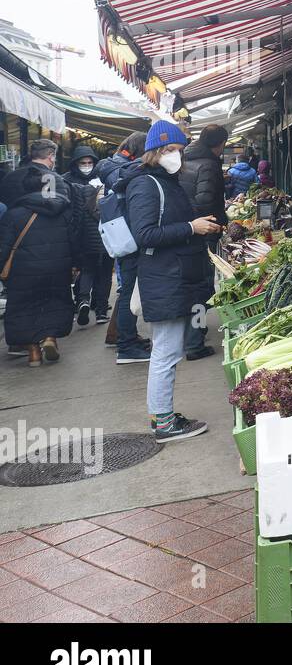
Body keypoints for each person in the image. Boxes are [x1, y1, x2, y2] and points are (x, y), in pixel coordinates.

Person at [120, 121, 217, 442]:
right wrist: (192, 227)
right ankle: (163, 422)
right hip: (164, 276)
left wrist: (198, 226)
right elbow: (144, 234)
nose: (175, 155)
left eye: (178, 149)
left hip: (175, 275)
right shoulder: (145, 184)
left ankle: (162, 414)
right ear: (153, 153)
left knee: (169, 352)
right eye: (168, 150)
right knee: (166, 352)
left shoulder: (167, 181)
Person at [0, 165, 81, 367]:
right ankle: (50, 338)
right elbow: (75, 240)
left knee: (24, 308)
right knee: (55, 303)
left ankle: (33, 353)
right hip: (58, 267)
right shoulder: (62, 210)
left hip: (23, 270)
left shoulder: (14, 214)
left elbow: (4, 245)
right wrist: (77, 264)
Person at [98, 131, 151, 363]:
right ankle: (126, 346)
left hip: (122, 236)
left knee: (128, 289)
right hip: (129, 238)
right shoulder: (126, 171)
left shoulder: (114, 168)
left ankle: (127, 338)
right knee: (128, 290)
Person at [178, 125, 228, 361]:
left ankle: (193, 334)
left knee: (194, 286)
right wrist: (211, 223)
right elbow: (205, 199)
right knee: (202, 289)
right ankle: (195, 342)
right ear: (219, 144)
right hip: (203, 231)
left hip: (188, 231)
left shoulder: (185, 158)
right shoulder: (208, 164)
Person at [63, 145, 114, 327]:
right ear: (76, 163)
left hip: (84, 238)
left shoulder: (67, 182)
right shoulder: (103, 182)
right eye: (83, 163)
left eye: (89, 162)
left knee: (87, 271)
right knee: (102, 274)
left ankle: (83, 300)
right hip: (103, 236)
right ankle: (100, 310)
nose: (86, 165)